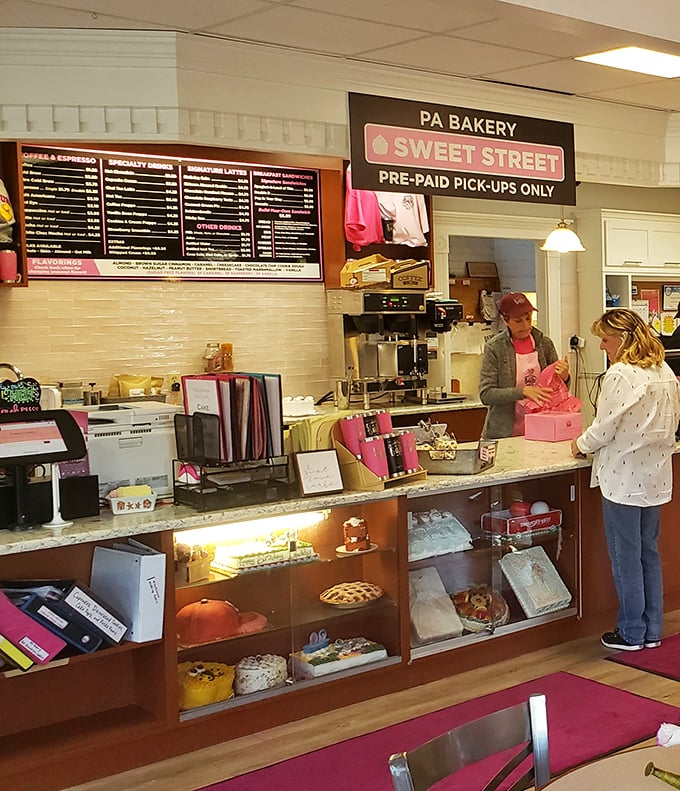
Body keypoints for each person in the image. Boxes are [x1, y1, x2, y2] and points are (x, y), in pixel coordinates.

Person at [570, 308, 680, 652]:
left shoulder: (620, 374)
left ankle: (631, 632)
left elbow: (604, 428)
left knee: (625, 557)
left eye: (605, 338)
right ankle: (652, 629)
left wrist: (580, 445)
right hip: (656, 476)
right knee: (648, 553)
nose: (602, 345)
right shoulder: (663, 371)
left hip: (623, 478)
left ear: (623, 338)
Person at [479, 292, 569, 439]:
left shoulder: (544, 344)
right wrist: (523, 392)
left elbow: (558, 391)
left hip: (541, 429)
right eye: (518, 321)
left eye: (528, 319)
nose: (526, 325)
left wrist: (564, 377)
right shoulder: (495, 348)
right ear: (505, 320)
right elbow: (486, 394)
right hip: (504, 433)